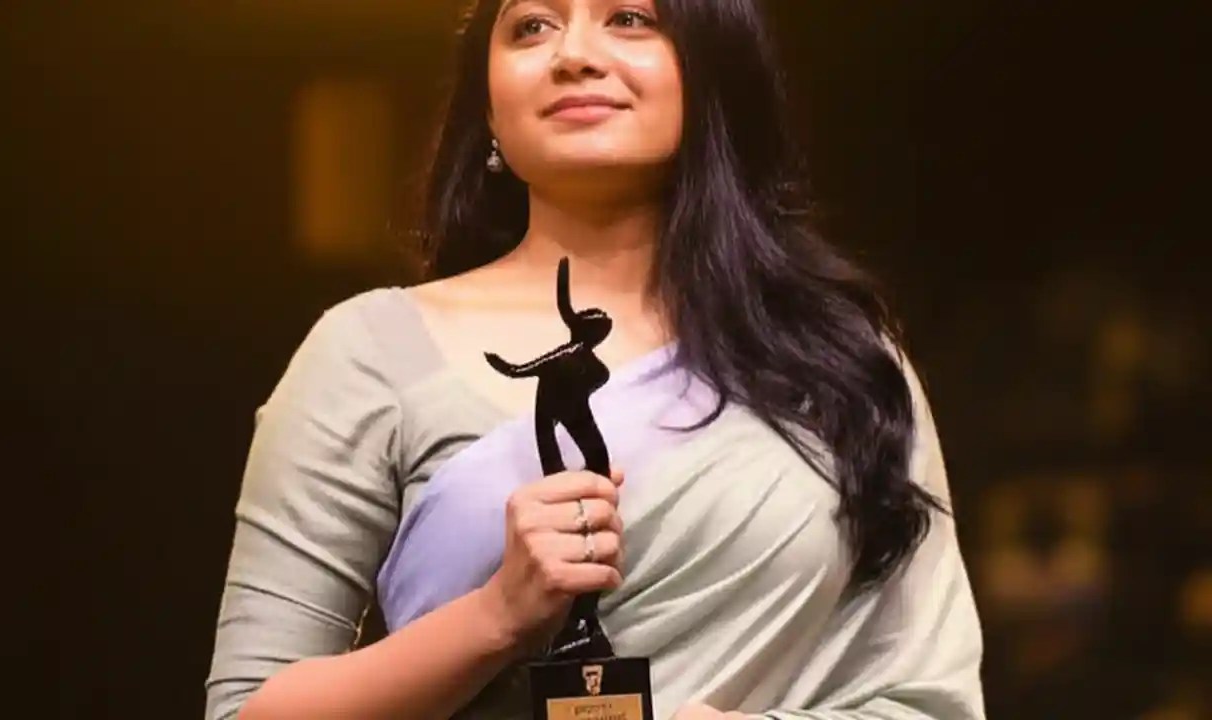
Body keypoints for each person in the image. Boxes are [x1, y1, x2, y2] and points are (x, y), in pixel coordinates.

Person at [204, 0, 986, 718]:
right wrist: (495, 616)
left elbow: (930, 701)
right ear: (488, 105)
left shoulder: (836, 359)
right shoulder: (369, 352)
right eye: (532, 26)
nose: (574, 54)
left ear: (711, 66)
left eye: (630, 18)